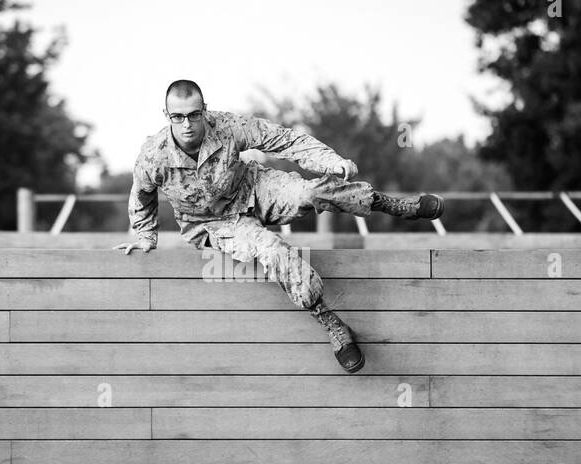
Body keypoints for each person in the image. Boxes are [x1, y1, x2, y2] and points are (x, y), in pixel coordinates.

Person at [113, 79, 444, 374]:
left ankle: (391, 204)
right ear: (166, 115)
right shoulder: (152, 156)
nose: (187, 124)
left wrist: (331, 161)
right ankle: (331, 323)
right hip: (216, 222)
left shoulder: (227, 126)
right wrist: (145, 236)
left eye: (194, 114)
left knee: (312, 190)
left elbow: (284, 140)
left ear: (205, 111)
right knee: (274, 251)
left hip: (253, 188)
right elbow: (142, 195)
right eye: (178, 117)